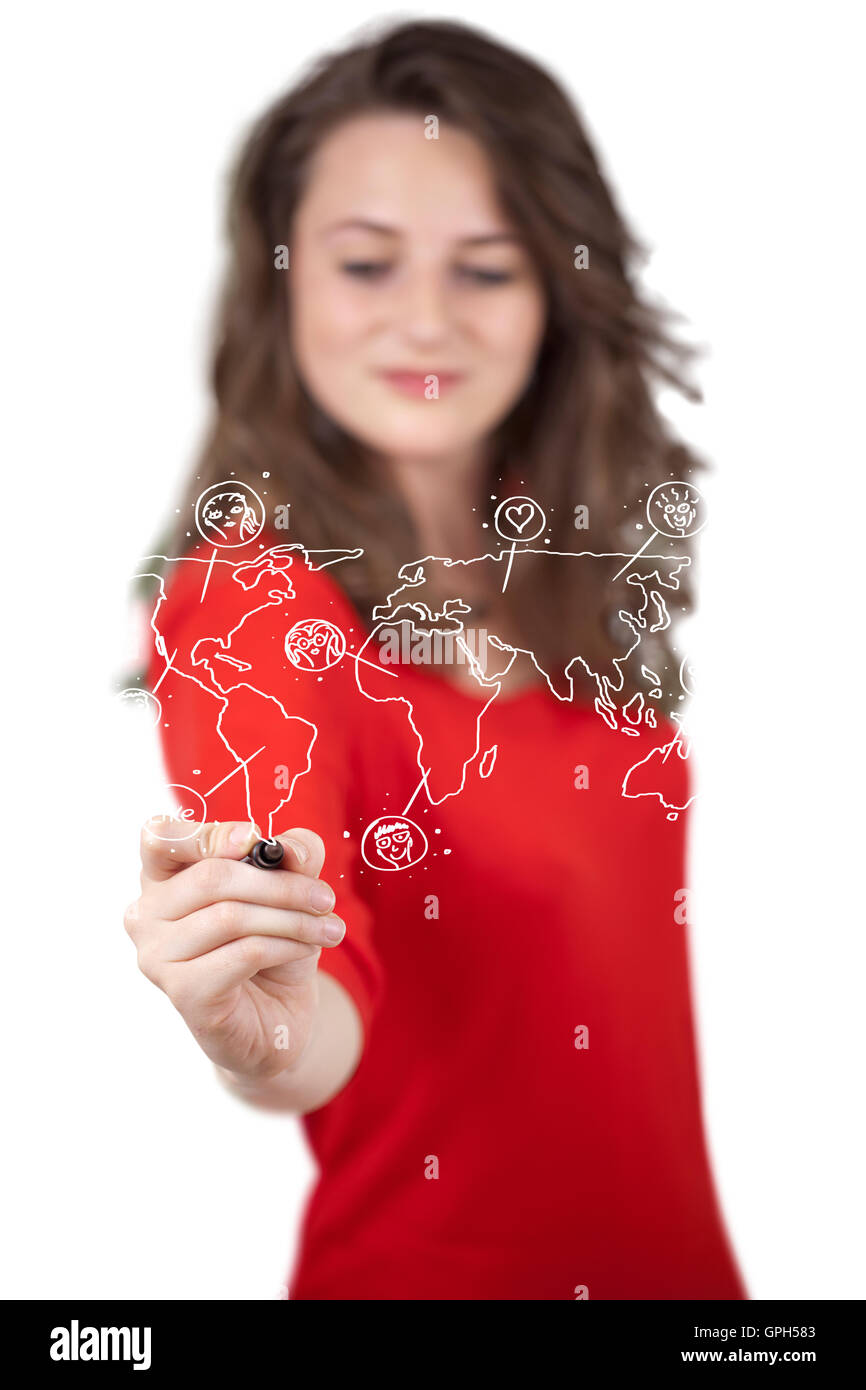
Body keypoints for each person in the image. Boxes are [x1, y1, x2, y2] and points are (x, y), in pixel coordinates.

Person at [124, 18, 747, 1300]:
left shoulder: (561, 581)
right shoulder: (255, 605)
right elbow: (309, 992)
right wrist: (263, 1031)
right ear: (280, 283)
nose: (425, 321)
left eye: (485, 269)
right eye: (365, 264)